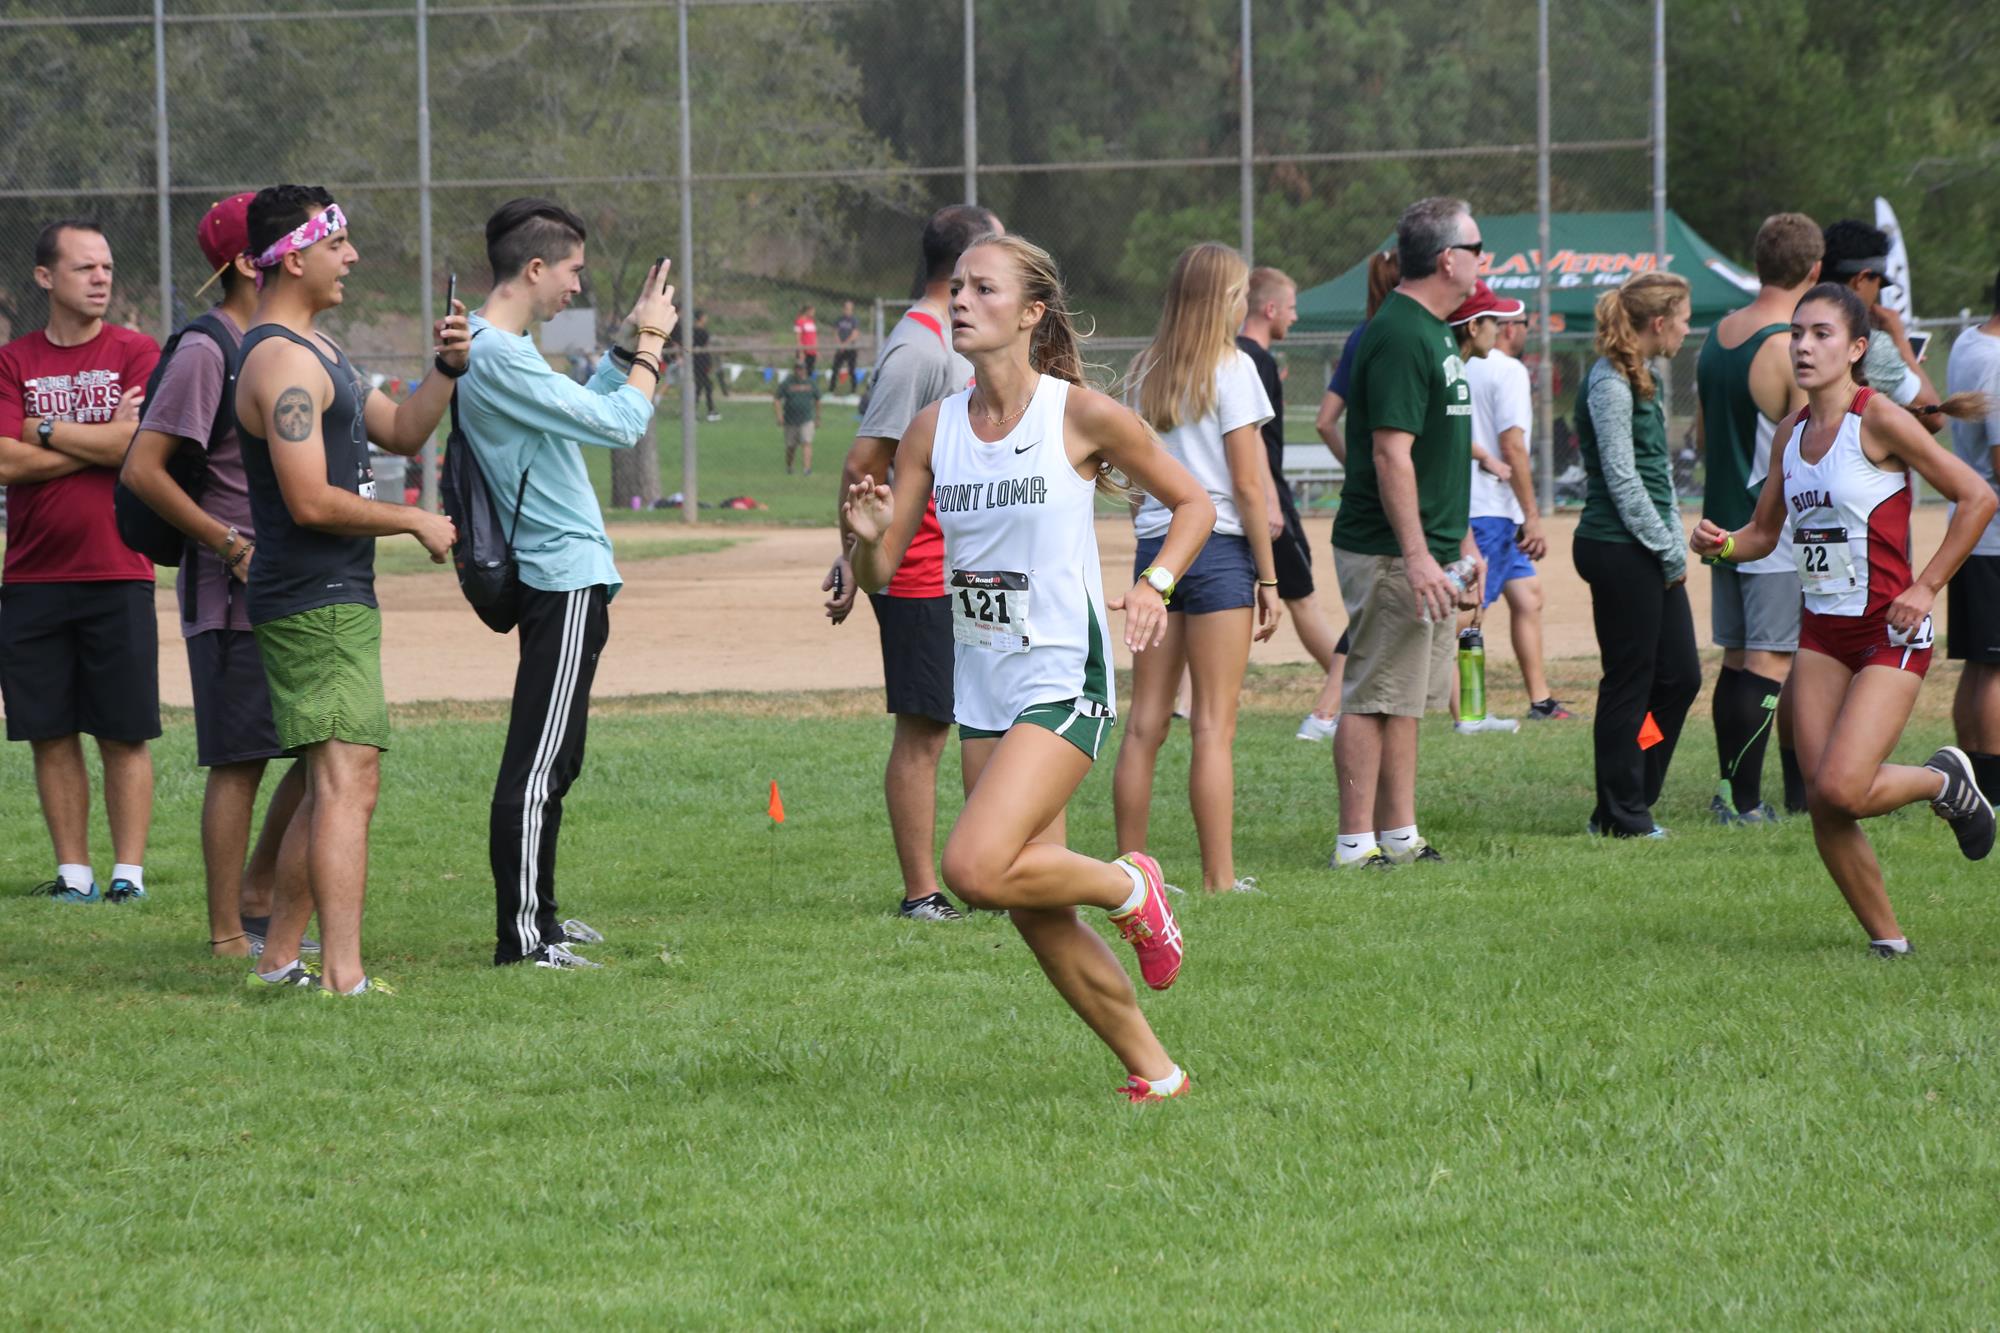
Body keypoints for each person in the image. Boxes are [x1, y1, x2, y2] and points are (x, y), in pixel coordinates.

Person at [845, 231, 1215, 1101]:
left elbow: (1195, 503)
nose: (962, 301)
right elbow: (886, 569)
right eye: (958, 289)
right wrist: (863, 547)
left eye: (984, 289)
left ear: (1032, 312)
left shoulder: (1077, 414)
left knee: (973, 869)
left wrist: (1156, 582)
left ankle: (1131, 886)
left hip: (1064, 681)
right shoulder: (933, 429)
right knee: (1033, 908)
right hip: (984, 687)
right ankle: (1157, 1072)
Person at [1691, 282, 1996, 956]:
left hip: (1891, 630)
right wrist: (1726, 545)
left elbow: (1976, 497)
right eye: (1797, 332)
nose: (1802, 344)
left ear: (1857, 348)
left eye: (1821, 333)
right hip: (1822, 633)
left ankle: (1944, 781)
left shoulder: (1880, 418)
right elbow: (1765, 533)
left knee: (1841, 784)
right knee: (1824, 801)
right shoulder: (1792, 435)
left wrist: (1927, 585)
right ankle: (1888, 943)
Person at [230, 185, 464, 995]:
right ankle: (343, 976)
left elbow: (402, 428)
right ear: (294, 255)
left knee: (333, 780)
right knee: (347, 782)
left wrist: (447, 368)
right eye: (339, 244)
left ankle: (279, 961)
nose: (353, 257)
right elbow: (307, 499)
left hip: (332, 596)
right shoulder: (282, 362)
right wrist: (414, 520)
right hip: (313, 600)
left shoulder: (321, 350)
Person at [459, 198, 678, 970]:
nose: (578, 287)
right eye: (575, 271)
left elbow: (590, 407)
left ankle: (543, 919)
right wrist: (652, 340)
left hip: (571, 576)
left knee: (559, 756)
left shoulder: (506, 349)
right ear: (535, 268)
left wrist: (625, 348)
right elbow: (621, 426)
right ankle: (522, 939)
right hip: (556, 574)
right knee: (538, 761)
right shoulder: (495, 354)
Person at [120, 193, 309, 954]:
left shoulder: (285, 342)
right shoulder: (209, 348)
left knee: (326, 745)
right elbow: (143, 469)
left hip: (294, 586)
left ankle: (261, 888)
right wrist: (230, 544)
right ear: (243, 263)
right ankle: (228, 932)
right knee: (240, 760)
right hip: (227, 593)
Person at [824, 203, 1000, 922]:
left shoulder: (952, 342)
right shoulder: (919, 352)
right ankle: (922, 892)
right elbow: (864, 464)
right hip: (917, 564)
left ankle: (990, 868)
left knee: (981, 715)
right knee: (924, 728)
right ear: (965, 262)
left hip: (963, 562)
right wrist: (848, 560)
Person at [0, 219, 160, 904]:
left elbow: (142, 444)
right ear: (45, 277)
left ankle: (128, 873)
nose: (100, 278)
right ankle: (74, 873)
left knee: (123, 730)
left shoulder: (137, 351)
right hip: (32, 574)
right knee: (50, 729)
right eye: (83, 268)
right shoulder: (13, 361)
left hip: (118, 567)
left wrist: (41, 428)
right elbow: (3, 458)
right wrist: (102, 440)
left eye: (106, 267)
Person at [1113, 243, 1281, 894]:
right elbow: (1246, 483)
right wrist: (1268, 579)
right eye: (1238, 294)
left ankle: (1133, 873)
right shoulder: (1234, 368)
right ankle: (1220, 877)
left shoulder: (1141, 369)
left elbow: (1129, 478)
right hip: (1217, 548)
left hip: (1157, 547)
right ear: (1224, 301)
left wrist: (1149, 536)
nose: (1243, 304)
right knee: (1213, 722)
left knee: (1145, 721)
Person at [1328, 198, 1484, 869]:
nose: (1485, 259)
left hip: (1429, 549)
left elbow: (1437, 457)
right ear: (1448, 258)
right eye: (1477, 247)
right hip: (1391, 551)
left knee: (1409, 698)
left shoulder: (1434, 330)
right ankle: (1356, 843)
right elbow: (1391, 452)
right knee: (1372, 694)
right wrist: (1419, 554)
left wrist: (1462, 542)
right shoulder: (1398, 332)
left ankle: (1399, 834)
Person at [1696, 212, 1822, 825]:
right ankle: (1744, 804)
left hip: (1720, 521)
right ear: (1815, 272)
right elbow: (1808, 443)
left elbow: (1698, 431)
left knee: (1738, 658)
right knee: (1770, 661)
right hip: (1769, 527)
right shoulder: (1785, 345)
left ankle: (1728, 791)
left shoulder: (1717, 336)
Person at [1572, 273, 1699, 838]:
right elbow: (1624, 482)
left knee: (1679, 678)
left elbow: (1658, 478)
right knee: (1630, 681)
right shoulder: (1608, 383)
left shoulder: (1644, 376)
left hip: (1648, 548)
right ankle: (1623, 813)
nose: (1687, 328)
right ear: (1658, 322)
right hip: (1617, 549)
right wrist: (1669, 550)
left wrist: (1672, 540)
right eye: (1684, 317)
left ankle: (1630, 792)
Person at [1235, 266, 1348, 744]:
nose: (1296, 316)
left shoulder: (1235, 356)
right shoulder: (1254, 360)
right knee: (1302, 600)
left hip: (1247, 500)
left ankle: (1186, 703)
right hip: (1268, 500)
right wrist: (1272, 504)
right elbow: (1254, 437)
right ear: (1270, 308)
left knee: (1230, 604)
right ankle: (1346, 694)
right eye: (1293, 307)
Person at [1300, 250, 1398, 739]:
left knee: (1375, 613)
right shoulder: (1397, 337)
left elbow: (1324, 421)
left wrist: (1356, 468)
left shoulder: (1362, 336)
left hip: (1364, 497)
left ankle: (1327, 711)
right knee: (1375, 615)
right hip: (1389, 505)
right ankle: (1325, 712)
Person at [1459, 283, 1567, 721]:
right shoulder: (1508, 370)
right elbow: (1514, 447)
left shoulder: (1464, 364)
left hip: (1482, 504)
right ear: (1506, 329)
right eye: (1522, 325)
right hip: (1491, 508)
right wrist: (1532, 517)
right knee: (1468, 613)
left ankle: (1539, 701)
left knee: (1528, 596)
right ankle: (1463, 708)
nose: (1526, 332)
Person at [1946, 269, 2000, 802]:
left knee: (1981, 662)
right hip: (1994, 535)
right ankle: (1992, 785)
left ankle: (1969, 771)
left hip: (1968, 531)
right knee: (1995, 666)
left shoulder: (1968, 341)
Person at [1821, 218, 1941, 427]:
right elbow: (1933, 417)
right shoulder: (1869, 345)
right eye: (1878, 284)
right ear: (1861, 279)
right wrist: (1900, 344)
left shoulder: (1794, 328)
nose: (1876, 295)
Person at [775, 355, 820, 475]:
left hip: (806, 419)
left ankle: (807, 469)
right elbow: (777, 399)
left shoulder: (811, 383)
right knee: (791, 446)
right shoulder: (787, 383)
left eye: (801, 368)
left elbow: (818, 400)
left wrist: (818, 417)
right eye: (797, 368)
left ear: (805, 369)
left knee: (807, 442)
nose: (799, 371)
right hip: (790, 420)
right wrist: (779, 416)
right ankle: (790, 467)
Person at [691, 309, 719, 420]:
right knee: (706, 386)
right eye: (705, 317)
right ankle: (710, 412)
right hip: (702, 361)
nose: (706, 319)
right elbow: (706, 347)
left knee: (701, 386)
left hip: (696, 361)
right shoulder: (702, 332)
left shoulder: (692, 331)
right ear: (701, 318)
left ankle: (695, 411)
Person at [829, 298, 860, 395]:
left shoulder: (854, 320)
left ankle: (853, 390)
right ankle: (831, 389)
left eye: (849, 308)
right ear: (843, 309)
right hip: (840, 348)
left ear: (852, 309)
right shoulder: (839, 320)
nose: (847, 310)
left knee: (852, 370)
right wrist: (840, 344)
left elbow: (854, 334)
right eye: (846, 308)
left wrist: (845, 344)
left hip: (850, 348)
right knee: (835, 369)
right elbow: (835, 332)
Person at [794, 302, 818, 382]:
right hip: (804, 351)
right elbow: (798, 338)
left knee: (810, 372)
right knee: (801, 372)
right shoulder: (799, 321)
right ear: (807, 311)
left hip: (812, 351)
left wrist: (816, 350)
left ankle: (808, 389)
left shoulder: (811, 321)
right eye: (812, 311)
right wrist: (801, 351)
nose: (813, 313)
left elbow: (813, 337)